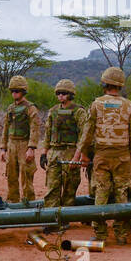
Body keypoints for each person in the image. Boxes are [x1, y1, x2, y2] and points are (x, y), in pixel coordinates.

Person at [72, 66, 131, 244]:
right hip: (123, 156)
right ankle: (121, 235)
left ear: (105, 83)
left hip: (101, 156)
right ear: (120, 86)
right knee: (122, 194)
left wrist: (84, 154)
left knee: (101, 193)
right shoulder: (128, 105)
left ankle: (100, 234)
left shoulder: (97, 104)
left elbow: (87, 132)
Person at [43, 79, 85, 208]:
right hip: (54, 152)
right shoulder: (53, 111)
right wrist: (44, 153)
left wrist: (77, 157)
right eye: (58, 93)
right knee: (52, 187)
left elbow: (84, 135)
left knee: (69, 187)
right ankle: (51, 218)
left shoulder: (79, 111)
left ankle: (66, 217)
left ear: (70, 94)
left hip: (70, 151)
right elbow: (47, 132)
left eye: (64, 93)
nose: (60, 95)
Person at [0, 75, 40, 203]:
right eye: (12, 91)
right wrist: (3, 148)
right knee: (11, 175)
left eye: (17, 91)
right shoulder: (10, 108)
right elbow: (5, 128)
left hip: (24, 144)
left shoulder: (30, 108)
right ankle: (13, 201)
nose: (14, 93)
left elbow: (35, 129)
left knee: (26, 175)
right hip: (12, 144)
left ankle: (29, 202)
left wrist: (31, 148)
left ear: (23, 91)